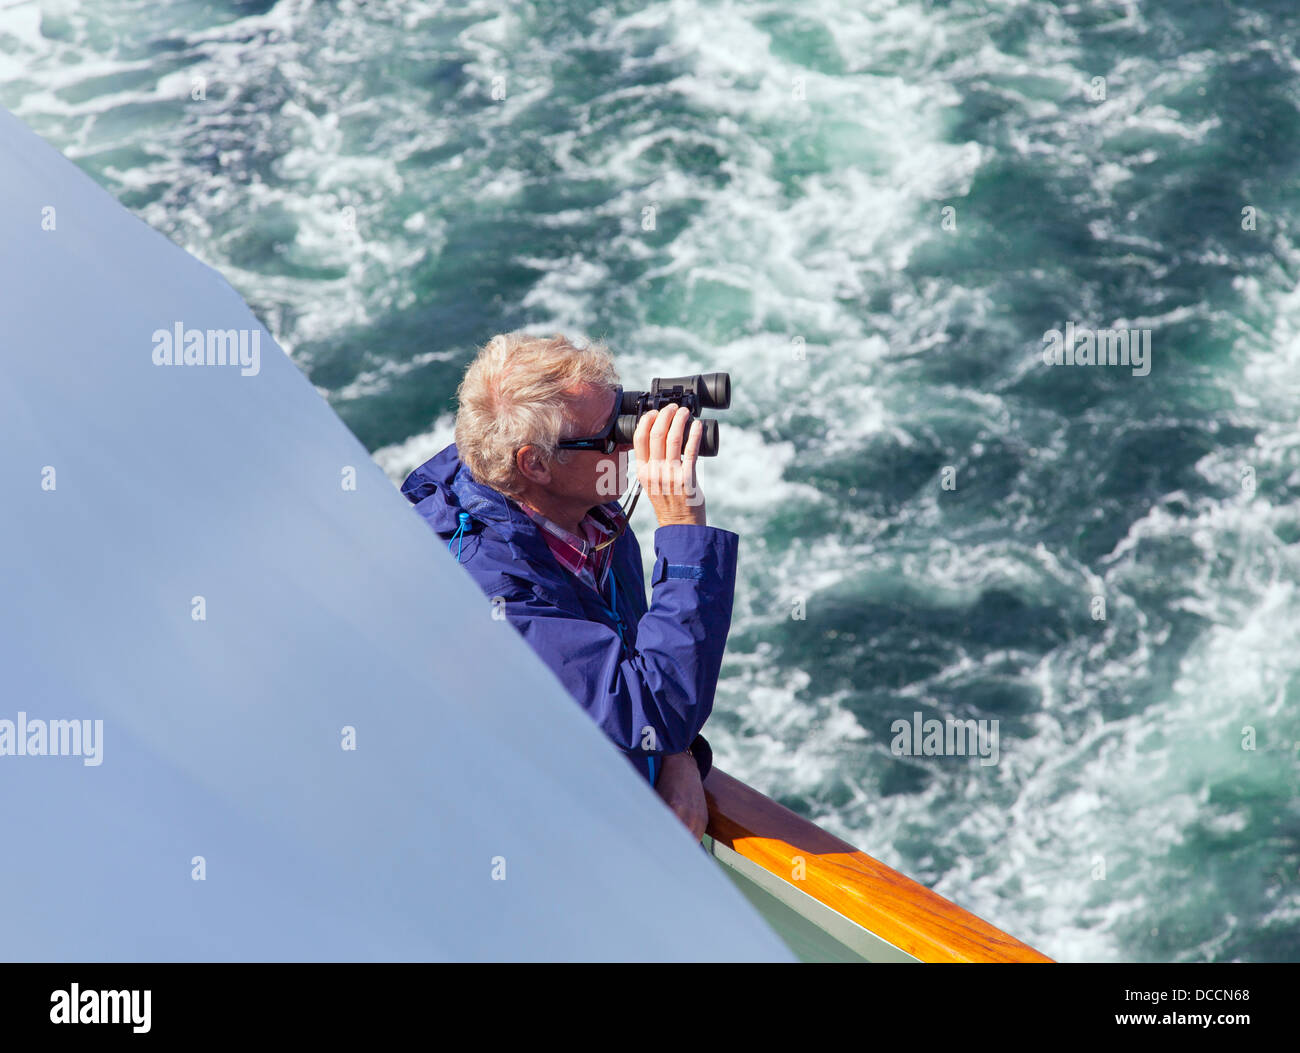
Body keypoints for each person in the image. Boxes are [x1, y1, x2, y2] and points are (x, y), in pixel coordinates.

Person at [400, 332, 739, 841]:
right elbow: (651, 705)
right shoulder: (492, 595)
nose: (631, 441)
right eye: (609, 435)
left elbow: (628, 671)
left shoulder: (584, 513)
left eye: (623, 412)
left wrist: (681, 756)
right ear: (534, 463)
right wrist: (684, 527)